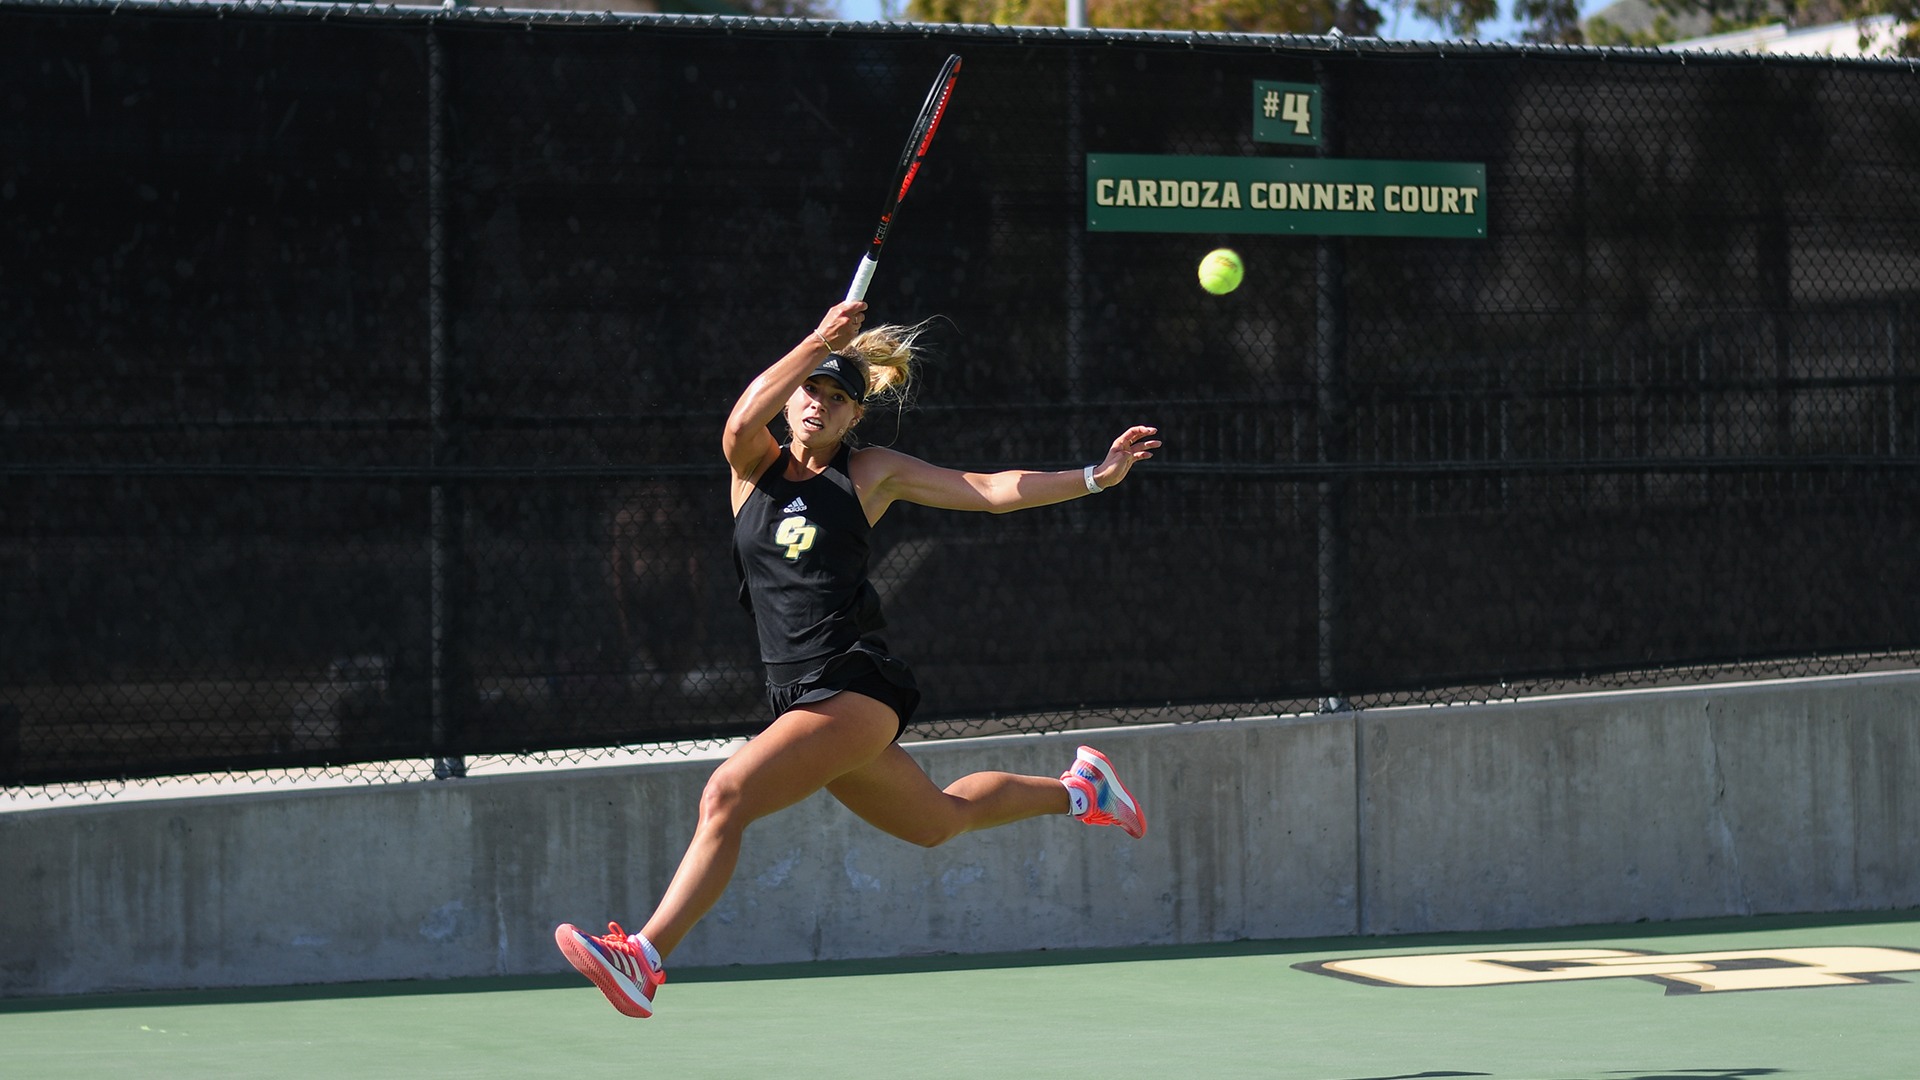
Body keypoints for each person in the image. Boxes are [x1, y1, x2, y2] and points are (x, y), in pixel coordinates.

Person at [554, 299, 1160, 1019]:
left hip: (851, 688)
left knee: (726, 796)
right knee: (936, 822)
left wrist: (1095, 475)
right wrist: (816, 343)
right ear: (796, 395)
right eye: (814, 390)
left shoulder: (868, 474)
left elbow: (991, 491)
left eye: (839, 400)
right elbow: (740, 421)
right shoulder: (753, 467)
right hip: (797, 697)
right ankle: (1081, 790)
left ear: (852, 420)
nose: (820, 405)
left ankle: (644, 958)